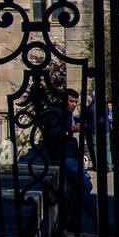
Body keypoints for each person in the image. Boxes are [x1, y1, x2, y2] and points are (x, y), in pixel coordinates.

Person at [41, 88, 97, 222]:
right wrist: (70, 129)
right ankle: (81, 220)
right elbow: (51, 134)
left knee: (83, 187)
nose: (73, 104)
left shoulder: (67, 114)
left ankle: (76, 219)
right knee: (84, 186)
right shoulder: (55, 114)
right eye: (71, 101)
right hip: (62, 156)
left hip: (70, 156)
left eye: (75, 102)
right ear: (64, 100)